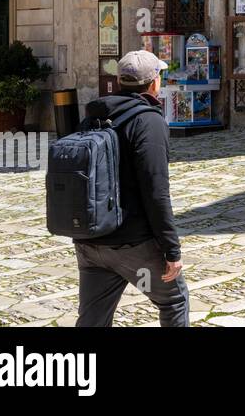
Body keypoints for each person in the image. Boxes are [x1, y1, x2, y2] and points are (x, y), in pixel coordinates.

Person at [75, 50, 188, 327]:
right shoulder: (148, 121)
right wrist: (172, 250)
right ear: (153, 84)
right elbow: (156, 190)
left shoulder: (94, 116)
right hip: (133, 243)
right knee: (174, 300)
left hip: (91, 239)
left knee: (93, 319)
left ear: (120, 82)